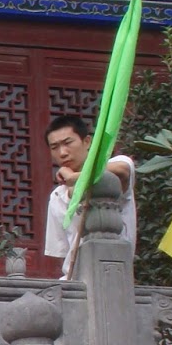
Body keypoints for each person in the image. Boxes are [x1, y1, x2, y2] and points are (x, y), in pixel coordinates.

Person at [42, 114, 136, 276]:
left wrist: (73, 177)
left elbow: (123, 170)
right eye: (54, 147)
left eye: (68, 143)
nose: (62, 152)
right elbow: (62, 253)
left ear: (87, 142)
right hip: (75, 280)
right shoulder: (57, 196)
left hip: (113, 271)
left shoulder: (115, 166)